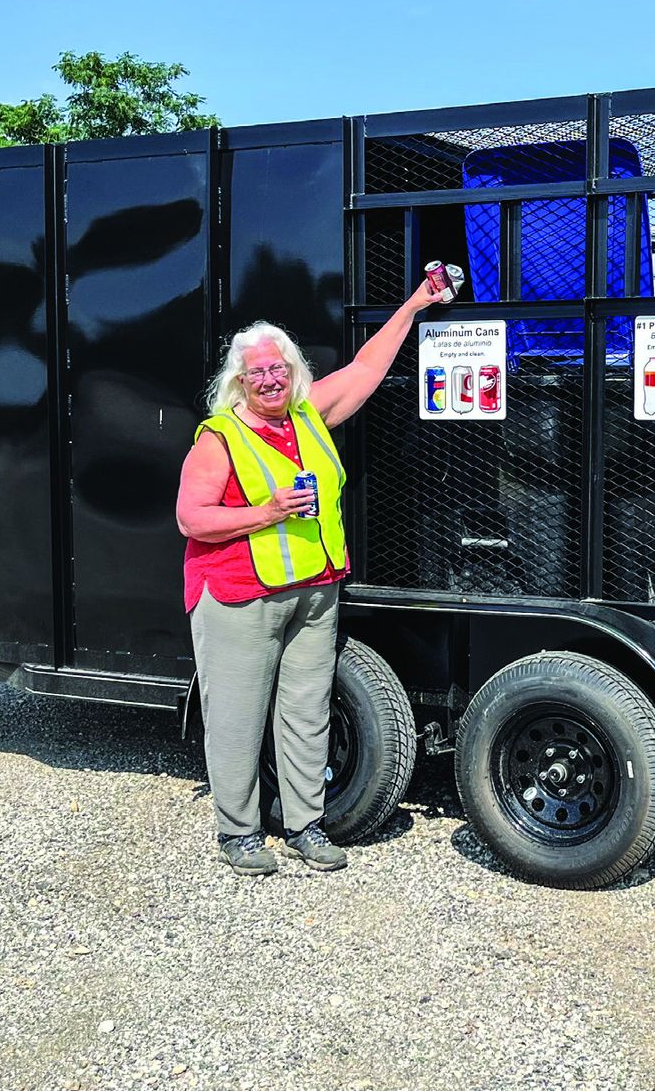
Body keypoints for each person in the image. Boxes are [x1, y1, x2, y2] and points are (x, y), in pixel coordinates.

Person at [175, 283, 442, 877]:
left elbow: (367, 366)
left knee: (306, 711)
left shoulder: (309, 415)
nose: (269, 379)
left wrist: (414, 306)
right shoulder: (220, 437)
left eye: (279, 367)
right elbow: (191, 518)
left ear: (293, 370)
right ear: (239, 382)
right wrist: (266, 511)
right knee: (238, 718)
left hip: (314, 595)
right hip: (240, 598)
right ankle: (239, 834)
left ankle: (305, 825)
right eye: (257, 373)